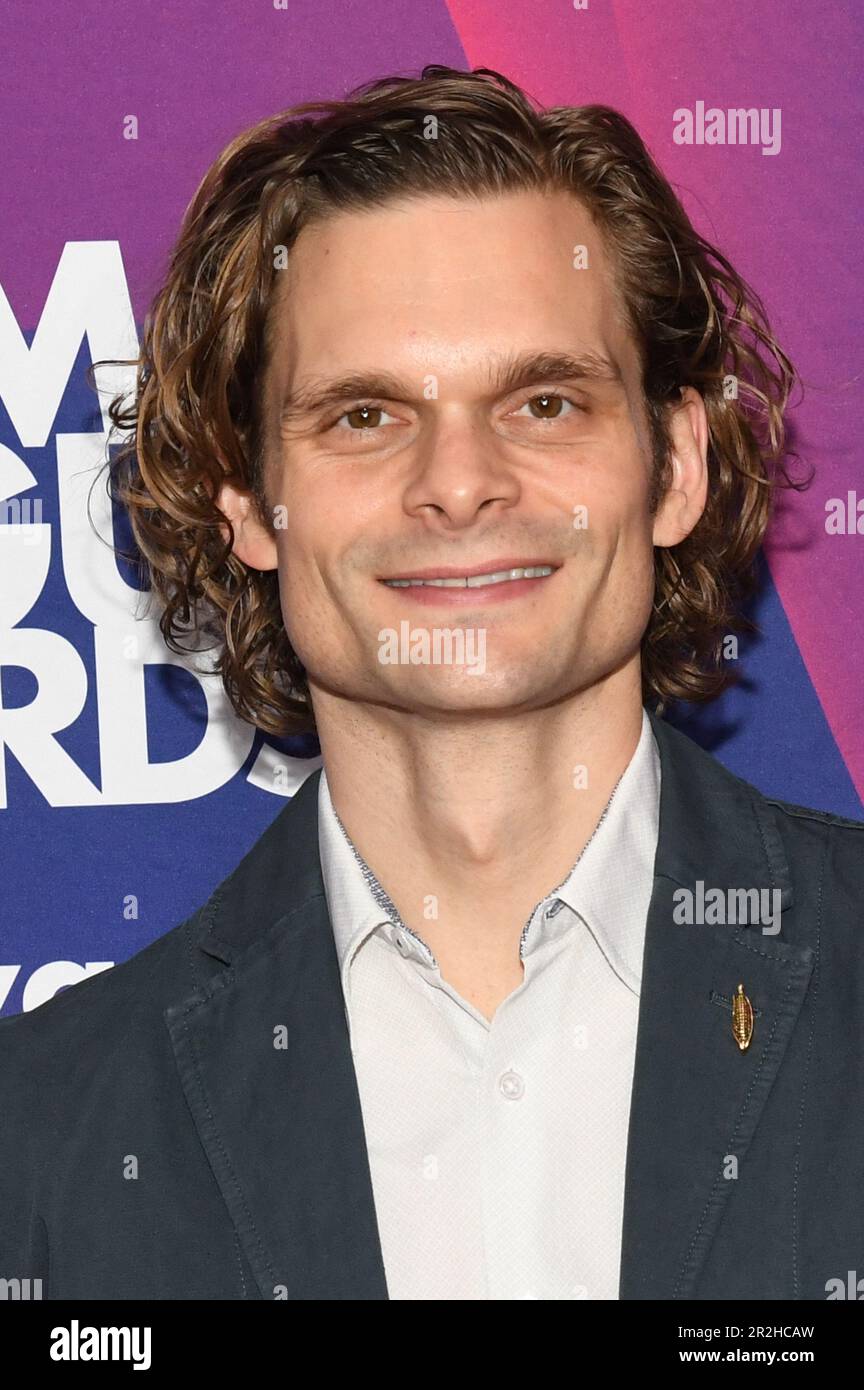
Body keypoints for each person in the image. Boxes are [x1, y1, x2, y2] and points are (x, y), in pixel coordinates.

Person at [1, 65, 862, 1302]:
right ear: (246, 498)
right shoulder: (42, 1141)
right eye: (364, 416)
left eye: (545, 402)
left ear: (675, 465)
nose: (459, 483)